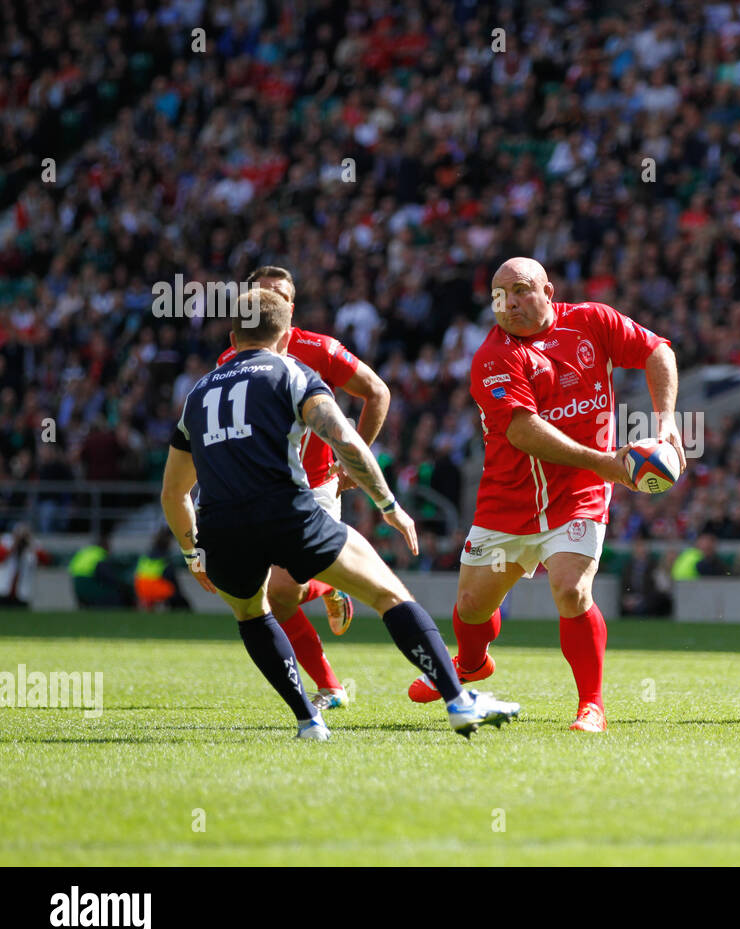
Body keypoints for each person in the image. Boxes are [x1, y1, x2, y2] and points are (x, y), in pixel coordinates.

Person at [160, 288, 519, 739]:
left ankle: (309, 720)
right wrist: (389, 505)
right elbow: (345, 441)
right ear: (286, 335)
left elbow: (174, 492)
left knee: (253, 614)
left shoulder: (196, 394)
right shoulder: (291, 371)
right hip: (288, 513)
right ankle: (458, 700)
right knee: (389, 593)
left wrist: (194, 555)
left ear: (232, 337)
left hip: (220, 530)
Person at [406, 256, 684, 732]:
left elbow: (658, 351)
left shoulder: (593, 321)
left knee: (572, 591)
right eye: (498, 296)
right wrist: (607, 463)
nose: (508, 303)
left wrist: (665, 422)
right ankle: (471, 665)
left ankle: (590, 706)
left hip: (578, 494)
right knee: (472, 605)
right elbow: (524, 432)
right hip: (507, 498)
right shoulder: (493, 356)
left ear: (548, 292)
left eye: (519, 291)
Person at [214, 265, 393, 710]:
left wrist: (353, 462)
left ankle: (330, 590)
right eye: (258, 294)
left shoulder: (320, 349)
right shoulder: (229, 360)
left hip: (314, 487)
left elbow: (377, 392)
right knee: (272, 596)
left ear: (291, 308)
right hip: (260, 490)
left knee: (279, 592)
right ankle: (331, 682)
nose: (266, 302)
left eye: (276, 295)